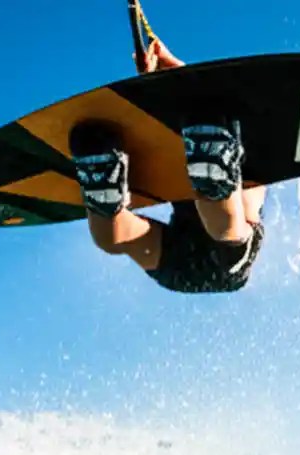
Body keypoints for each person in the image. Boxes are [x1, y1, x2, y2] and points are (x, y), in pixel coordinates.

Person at [69, 40, 267, 294]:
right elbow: (204, 99)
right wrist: (168, 79)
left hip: (203, 260)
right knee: (116, 236)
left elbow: (206, 100)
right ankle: (105, 193)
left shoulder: (246, 149)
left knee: (113, 238)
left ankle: (102, 188)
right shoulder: (207, 138)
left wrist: (166, 82)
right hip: (207, 259)